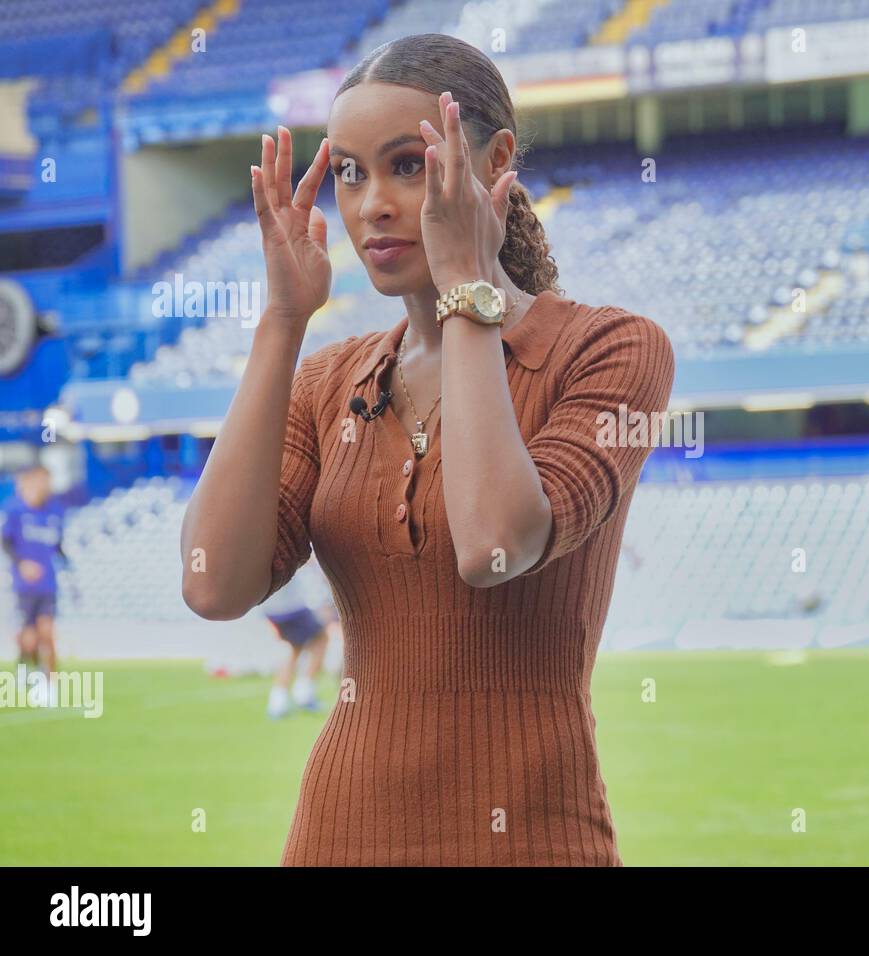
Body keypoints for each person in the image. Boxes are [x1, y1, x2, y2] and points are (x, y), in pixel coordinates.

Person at [180, 34, 674, 866]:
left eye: (407, 165)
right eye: (348, 171)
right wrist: (282, 322)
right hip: (337, 838)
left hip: (534, 842)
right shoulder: (328, 380)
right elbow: (212, 583)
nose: (372, 202)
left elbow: (493, 546)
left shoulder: (611, 350)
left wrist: (466, 298)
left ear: (496, 161)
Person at [2, 463, 68, 707]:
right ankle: (25, 668)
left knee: (47, 633)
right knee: (28, 639)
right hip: (24, 587)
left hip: (48, 585)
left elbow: (58, 544)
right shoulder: (15, 510)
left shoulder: (54, 511)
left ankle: (50, 685)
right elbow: (6, 541)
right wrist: (22, 564)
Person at [261, 557, 332, 719]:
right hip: (290, 606)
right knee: (320, 638)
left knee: (296, 648)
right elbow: (308, 561)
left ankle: (281, 700)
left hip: (272, 607)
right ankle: (302, 693)